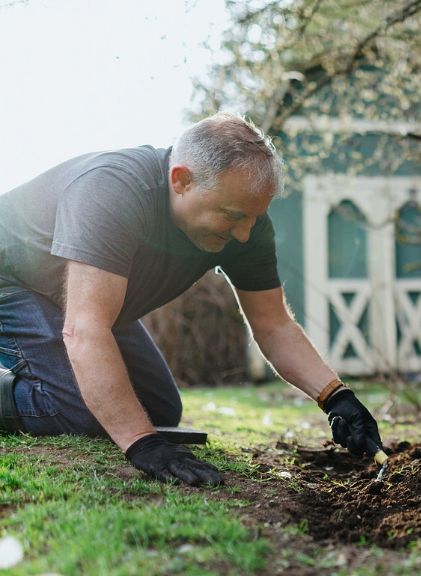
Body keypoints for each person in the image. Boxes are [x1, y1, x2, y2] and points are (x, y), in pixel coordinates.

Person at [0, 112, 384, 486]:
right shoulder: (113, 190)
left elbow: (273, 323)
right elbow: (86, 328)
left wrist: (335, 397)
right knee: (83, 411)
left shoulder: (243, 221)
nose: (245, 234)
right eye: (234, 216)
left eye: (254, 218)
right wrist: (143, 444)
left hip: (70, 297)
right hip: (12, 281)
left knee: (160, 410)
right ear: (181, 180)